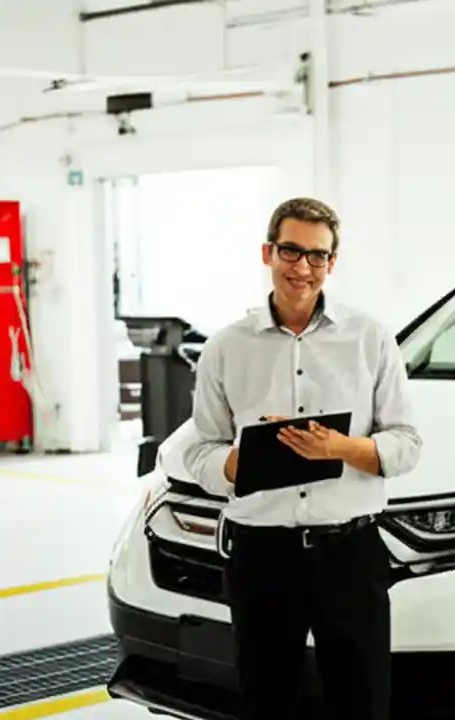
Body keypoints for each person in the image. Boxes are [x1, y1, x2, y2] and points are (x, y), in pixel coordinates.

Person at [181, 197, 422, 720]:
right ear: (268, 252)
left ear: (332, 263)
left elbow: (406, 443)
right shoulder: (226, 347)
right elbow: (198, 449)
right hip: (261, 556)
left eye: (318, 256)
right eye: (291, 252)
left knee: (361, 704)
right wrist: (241, 463)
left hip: (349, 553)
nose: (303, 268)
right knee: (266, 702)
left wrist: (339, 449)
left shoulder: (370, 339)